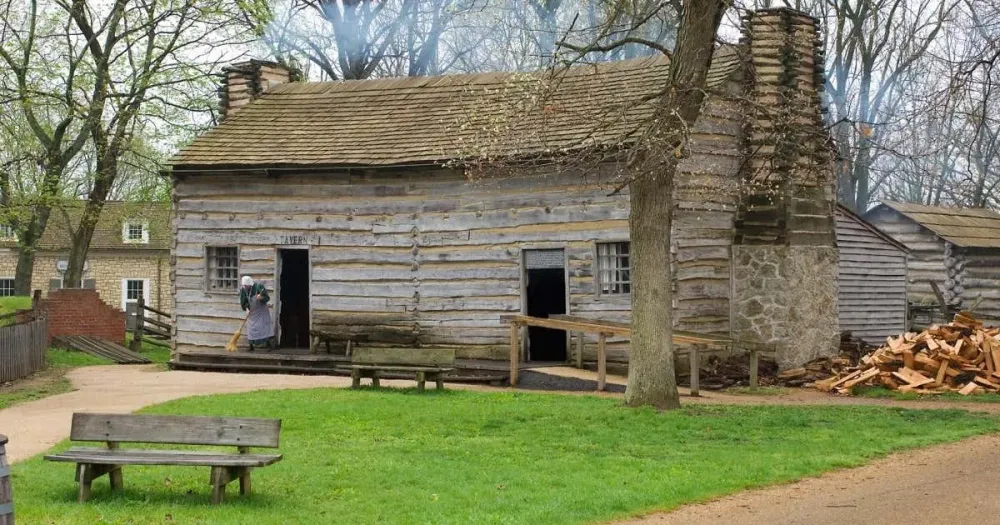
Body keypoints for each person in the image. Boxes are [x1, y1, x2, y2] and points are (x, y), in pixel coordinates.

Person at [239, 275, 274, 351]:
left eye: (246, 285)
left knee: (263, 327)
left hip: (261, 311)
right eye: (244, 285)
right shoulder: (243, 290)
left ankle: (270, 345)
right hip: (251, 311)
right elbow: (243, 302)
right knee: (251, 329)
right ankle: (251, 346)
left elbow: (267, 298)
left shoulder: (259, 286)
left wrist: (261, 297)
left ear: (250, 284)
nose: (245, 287)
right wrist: (246, 308)